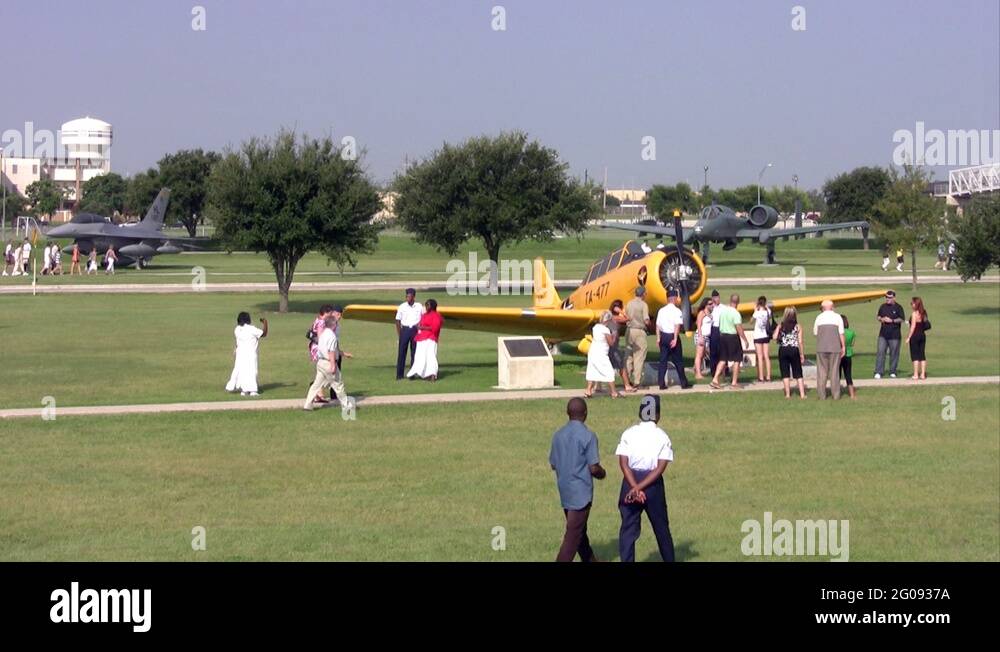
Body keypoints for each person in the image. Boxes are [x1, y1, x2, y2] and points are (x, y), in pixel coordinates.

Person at [616, 394, 675, 562]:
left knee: (628, 528)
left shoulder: (629, 433)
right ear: (657, 415)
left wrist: (634, 487)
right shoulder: (662, 436)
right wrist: (641, 487)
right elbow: (660, 468)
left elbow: (623, 463)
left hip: (630, 480)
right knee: (661, 528)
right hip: (652, 484)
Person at [549, 397, 606, 562]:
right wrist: (603, 473)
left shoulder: (558, 435)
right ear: (586, 414)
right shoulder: (588, 436)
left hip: (565, 490)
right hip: (581, 494)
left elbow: (553, 464)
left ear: (567, 413)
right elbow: (594, 468)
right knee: (572, 537)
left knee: (579, 530)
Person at [303, 314, 348, 410]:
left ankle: (307, 405)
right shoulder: (332, 336)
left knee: (316, 385)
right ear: (334, 325)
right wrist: (333, 364)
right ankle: (347, 405)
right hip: (328, 362)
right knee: (338, 384)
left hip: (320, 363)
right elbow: (331, 351)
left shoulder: (322, 334)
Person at [655, 289, 692, 390]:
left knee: (663, 360)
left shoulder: (661, 311)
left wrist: (658, 338)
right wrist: (675, 339)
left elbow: (657, 325)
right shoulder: (677, 311)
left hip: (663, 336)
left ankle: (661, 383)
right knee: (678, 361)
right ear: (675, 299)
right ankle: (683, 382)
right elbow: (677, 325)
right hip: (672, 335)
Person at [225, 311, 268, 396]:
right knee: (252, 371)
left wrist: (235, 348)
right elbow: (264, 333)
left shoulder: (237, 329)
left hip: (240, 354)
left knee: (242, 371)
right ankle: (253, 391)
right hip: (250, 354)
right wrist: (265, 323)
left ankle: (244, 391)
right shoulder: (252, 329)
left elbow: (238, 341)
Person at [710, 294, 748, 389]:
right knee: (737, 359)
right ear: (738, 302)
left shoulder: (723, 311)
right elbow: (739, 328)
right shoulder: (735, 313)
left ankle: (715, 379)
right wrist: (745, 339)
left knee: (723, 359)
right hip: (732, 337)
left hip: (722, 336)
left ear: (730, 300)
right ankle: (734, 382)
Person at [813, 299, 845, 400]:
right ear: (832, 307)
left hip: (821, 347)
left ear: (822, 308)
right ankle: (835, 395)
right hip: (834, 347)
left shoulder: (819, 317)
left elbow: (815, 333)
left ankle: (822, 395)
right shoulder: (837, 317)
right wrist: (843, 346)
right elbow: (841, 333)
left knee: (822, 372)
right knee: (834, 372)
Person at [773, 307, 806, 399]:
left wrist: (777, 329)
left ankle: (787, 394)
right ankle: (802, 394)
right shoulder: (798, 326)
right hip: (794, 349)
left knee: (785, 372)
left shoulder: (781, 325)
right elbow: (800, 341)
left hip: (783, 349)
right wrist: (802, 354)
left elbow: (775, 337)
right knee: (798, 372)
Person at [585, 311, 620, 398]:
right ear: (608, 320)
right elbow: (611, 343)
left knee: (592, 371)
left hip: (593, 351)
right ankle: (613, 392)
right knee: (609, 372)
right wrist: (614, 336)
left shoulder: (596, 327)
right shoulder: (605, 330)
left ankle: (588, 390)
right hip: (601, 353)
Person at [407, 299, 444, 380]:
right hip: (421, 339)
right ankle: (422, 373)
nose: (426, 307)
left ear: (432, 306)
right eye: (425, 305)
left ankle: (433, 374)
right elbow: (420, 323)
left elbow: (435, 328)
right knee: (419, 357)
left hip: (431, 338)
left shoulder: (436, 315)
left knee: (431, 356)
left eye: (428, 305)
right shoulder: (424, 315)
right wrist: (418, 326)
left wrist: (422, 327)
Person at [624, 286, 650, 389]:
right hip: (639, 331)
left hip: (629, 330)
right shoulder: (644, 305)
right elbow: (646, 319)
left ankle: (627, 378)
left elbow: (626, 316)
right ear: (643, 294)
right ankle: (637, 381)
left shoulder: (629, 303)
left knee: (629, 355)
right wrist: (650, 324)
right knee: (639, 356)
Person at [874, 290, 905, 379]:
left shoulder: (898, 307)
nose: (887, 299)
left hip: (894, 335)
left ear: (894, 298)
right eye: (886, 297)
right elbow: (878, 316)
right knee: (880, 352)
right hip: (883, 334)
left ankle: (892, 371)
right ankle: (879, 371)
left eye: (889, 297)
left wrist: (892, 320)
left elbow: (902, 319)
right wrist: (881, 319)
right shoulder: (882, 306)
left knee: (894, 353)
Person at [307, 305, 334, 404]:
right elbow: (320, 337)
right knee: (323, 370)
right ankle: (316, 391)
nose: (331, 316)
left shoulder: (317, 320)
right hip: (318, 348)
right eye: (330, 313)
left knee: (321, 371)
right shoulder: (322, 322)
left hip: (314, 347)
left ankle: (319, 394)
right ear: (326, 313)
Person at [395, 288, 424, 380]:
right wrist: (400, 334)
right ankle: (399, 375)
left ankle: (412, 374)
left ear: (414, 297)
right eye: (407, 296)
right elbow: (397, 321)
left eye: (410, 297)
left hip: (415, 330)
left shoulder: (419, 306)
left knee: (414, 353)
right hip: (405, 330)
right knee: (401, 353)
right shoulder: (402, 306)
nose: (408, 298)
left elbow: (423, 318)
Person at [609, 299, 636, 392]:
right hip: (613, 347)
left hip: (613, 345)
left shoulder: (610, 317)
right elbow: (628, 318)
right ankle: (627, 385)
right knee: (621, 366)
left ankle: (596, 387)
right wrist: (621, 311)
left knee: (607, 366)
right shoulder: (614, 317)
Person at [906, 297, 929, 380]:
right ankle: (922, 374)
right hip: (922, 335)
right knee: (922, 355)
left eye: (912, 303)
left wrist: (908, 337)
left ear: (916, 304)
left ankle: (916, 374)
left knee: (915, 355)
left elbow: (913, 327)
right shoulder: (924, 313)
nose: (911, 305)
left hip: (915, 336)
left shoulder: (914, 314)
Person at [750, 295, 773, 382]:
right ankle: (768, 376)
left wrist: (755, 310)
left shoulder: (757, 313)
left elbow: (751, 321)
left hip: (758, 336)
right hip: (765, 336)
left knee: (760, 357)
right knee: (766, 356)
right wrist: (765, 307)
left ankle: (761, 377)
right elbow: (769, 314)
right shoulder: (768, 312)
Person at [693, 298, 713, 379]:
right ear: (705, 305)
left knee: (703, 354)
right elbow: (698, 324)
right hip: (701, 336)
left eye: (712, 303)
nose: (712, 305)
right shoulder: (702, 313)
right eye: (710, 304)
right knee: (699, 355)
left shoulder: (710, 314)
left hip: (707, 337)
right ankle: (698, 374)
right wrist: (700, 337)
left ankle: (696, 369)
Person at [840, 315, 857, 399]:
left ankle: (837, 393)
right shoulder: (852, 332)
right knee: (848, 375)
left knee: (837, 375)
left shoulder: (839, 332)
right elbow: (852, 344)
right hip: (848, 354)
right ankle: (852, 394)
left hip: (839, 354)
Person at [708, 289, 722, 373]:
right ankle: (713, 370)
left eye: (716, 297)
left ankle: (724, 370)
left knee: (722, 351)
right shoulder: (710, 307)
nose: (715, 299)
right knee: (713, 351)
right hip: (713, 329)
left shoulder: (723, 308)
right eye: (713, 298)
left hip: (721, 328)